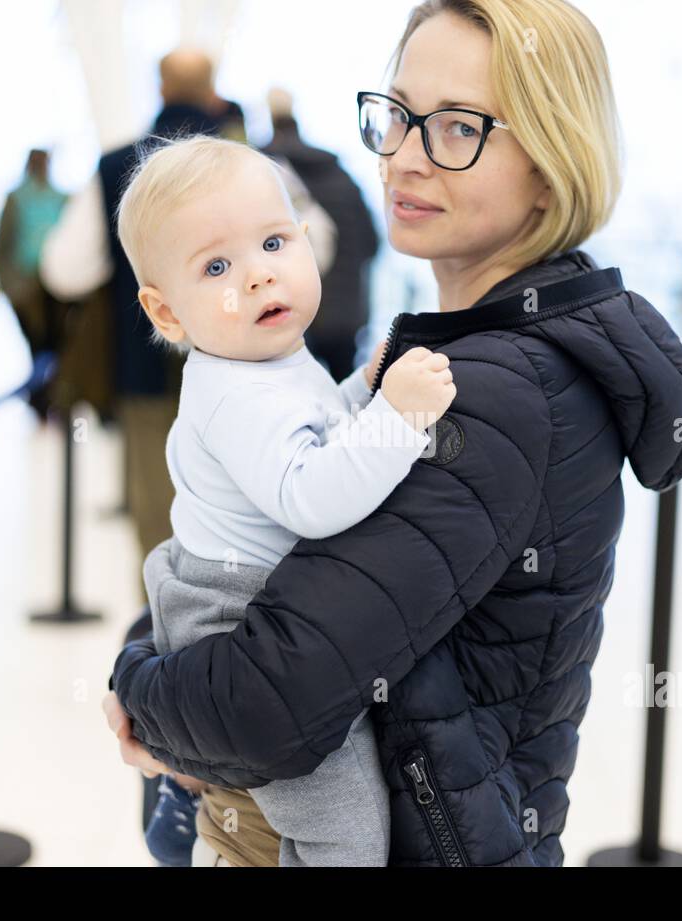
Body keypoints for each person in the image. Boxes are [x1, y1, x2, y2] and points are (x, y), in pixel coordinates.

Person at [105, 0, 682, 866]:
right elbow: (295, 585)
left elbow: (267, 705)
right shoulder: (465, 354)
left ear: (550, 162)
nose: (405, 156)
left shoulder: (500, 394)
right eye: (396, 117)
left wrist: (138, 688)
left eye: (457, 127)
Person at [118, 135, 455, 866]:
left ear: (307, 241)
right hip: (232, 622)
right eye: (216, 266)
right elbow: (309, 495)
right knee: (346, 828)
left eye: (273, 241)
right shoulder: (233, 392)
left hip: (246, 609)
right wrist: (397, 418)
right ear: (167, 313)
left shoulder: (263, 361)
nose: (258, 276)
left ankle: (192, 805)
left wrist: (361, 393)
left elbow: (310, 432)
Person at [40, 48, 335, 566]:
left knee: (165, 529)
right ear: (213, 89)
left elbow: (64, 270)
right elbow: (323, 246)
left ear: (159, 89)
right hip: (268, 361)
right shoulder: (258, 167)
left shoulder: (114, 167)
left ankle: (174, 641)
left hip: (146, 373)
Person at [264, 88, 381, 381]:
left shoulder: (263, 176)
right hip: (346, 313)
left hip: (287, 314)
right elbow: (371, 242)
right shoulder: (340, 175)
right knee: (348, 396)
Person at [0, 148, 66, 418]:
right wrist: (9, 286)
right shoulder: (16, 199)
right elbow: (4, 246)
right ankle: (40, 402)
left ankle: (51, 399)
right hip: (26, 287)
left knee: (53, 346)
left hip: (56, 286)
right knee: (37, 344)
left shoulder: (60, 198)